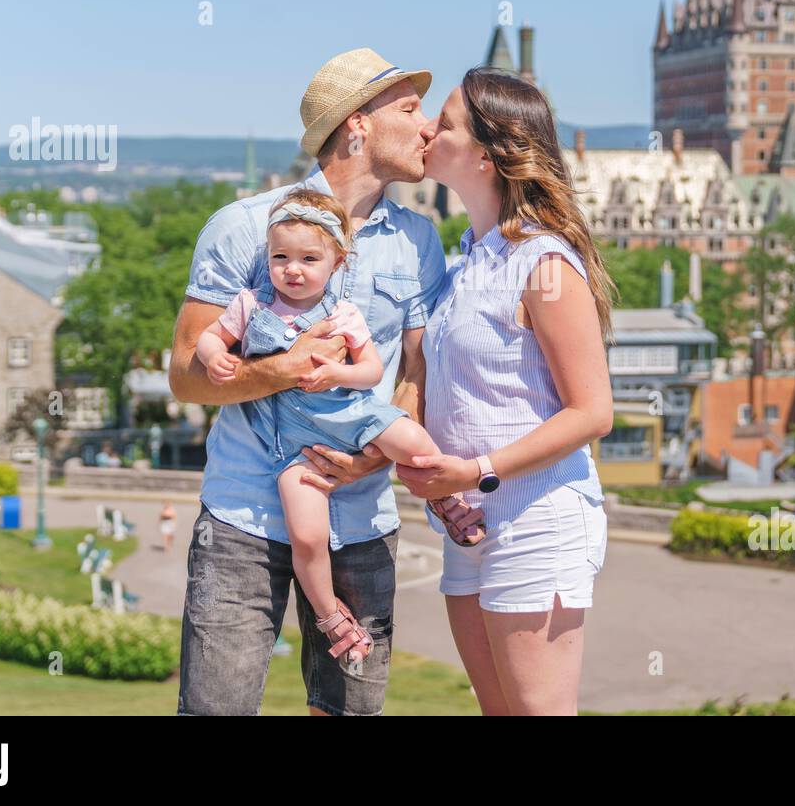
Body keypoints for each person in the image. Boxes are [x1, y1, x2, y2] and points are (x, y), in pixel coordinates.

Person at [169, 48, 484, 716]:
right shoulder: (243, 228)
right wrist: (288, 366)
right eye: (409, 109)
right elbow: (185, 377)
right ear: (356, 126)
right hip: (243, 516)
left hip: (363, 518)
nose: (427, 127)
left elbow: (417, 372)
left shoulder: (419, 241)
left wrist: (368, 457)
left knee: (348, 712)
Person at [397, 66, 615, 715]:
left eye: (448, 122)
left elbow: (592, 411)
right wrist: (440, 487)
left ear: (489, 156)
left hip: (538, 520)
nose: (429, 129)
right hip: (470, 528)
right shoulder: (466, 260)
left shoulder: (543, 262)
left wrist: (477, 470)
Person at [194, 188, 481, 667]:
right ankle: (330, 616)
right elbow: (206, 337)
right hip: (292, 446)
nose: (293, 269)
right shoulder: (250, 305)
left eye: (309, 258)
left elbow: (370, 371)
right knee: (306, 534)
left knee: (413, 440)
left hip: (353, 418)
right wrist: (215, 356)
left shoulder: (343, 314)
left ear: (337, 263)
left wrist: (335, 374)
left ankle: (440, 493)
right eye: (280, 257)